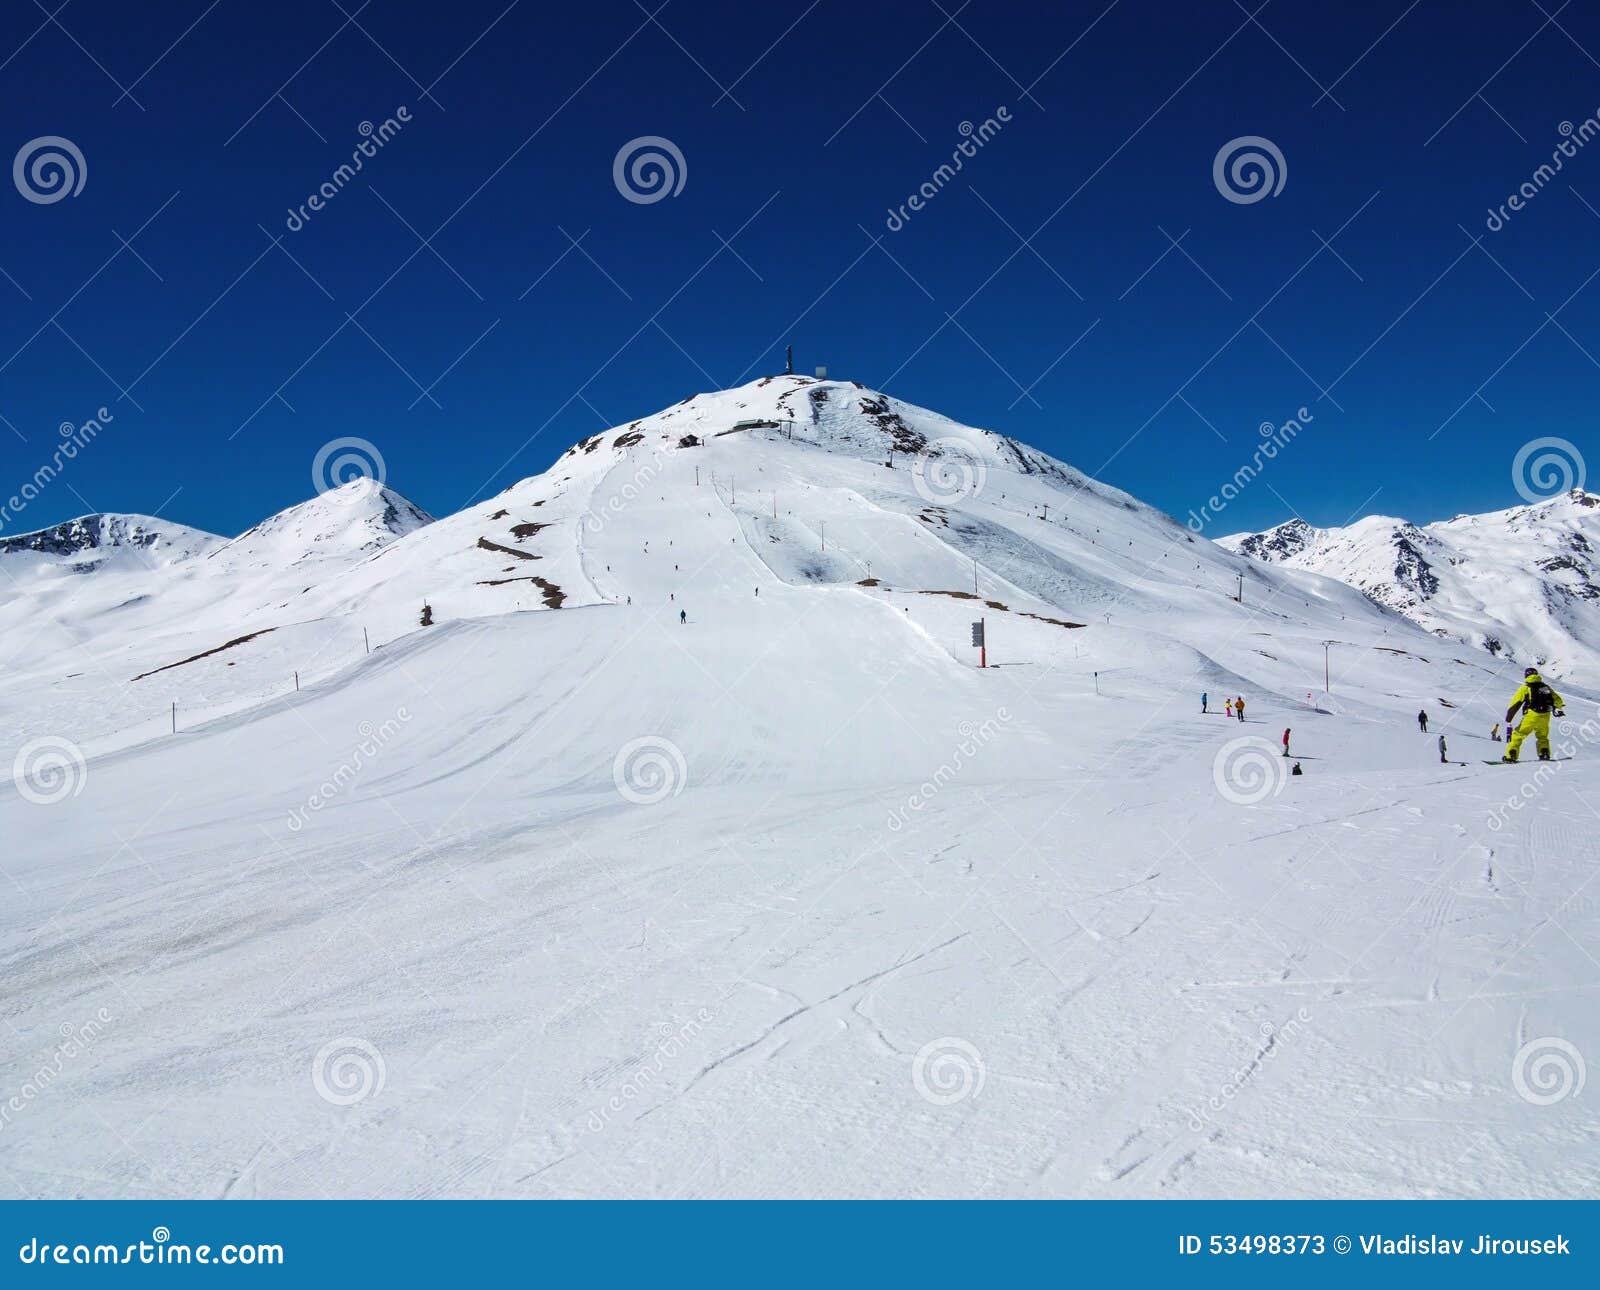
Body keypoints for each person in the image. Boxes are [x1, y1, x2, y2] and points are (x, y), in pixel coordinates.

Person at [1502, 666, 1564, 763]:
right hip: (1545, 716)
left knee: (1518, 735)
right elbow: (1558, 700)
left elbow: (1515, 704)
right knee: (1542, 736)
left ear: (1526, 675)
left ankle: (1511, 755)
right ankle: (1544, 754)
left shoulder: (1526, 687)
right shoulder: (1545, 687)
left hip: (1531, 715)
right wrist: (1559, 707)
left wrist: (1508, 718)